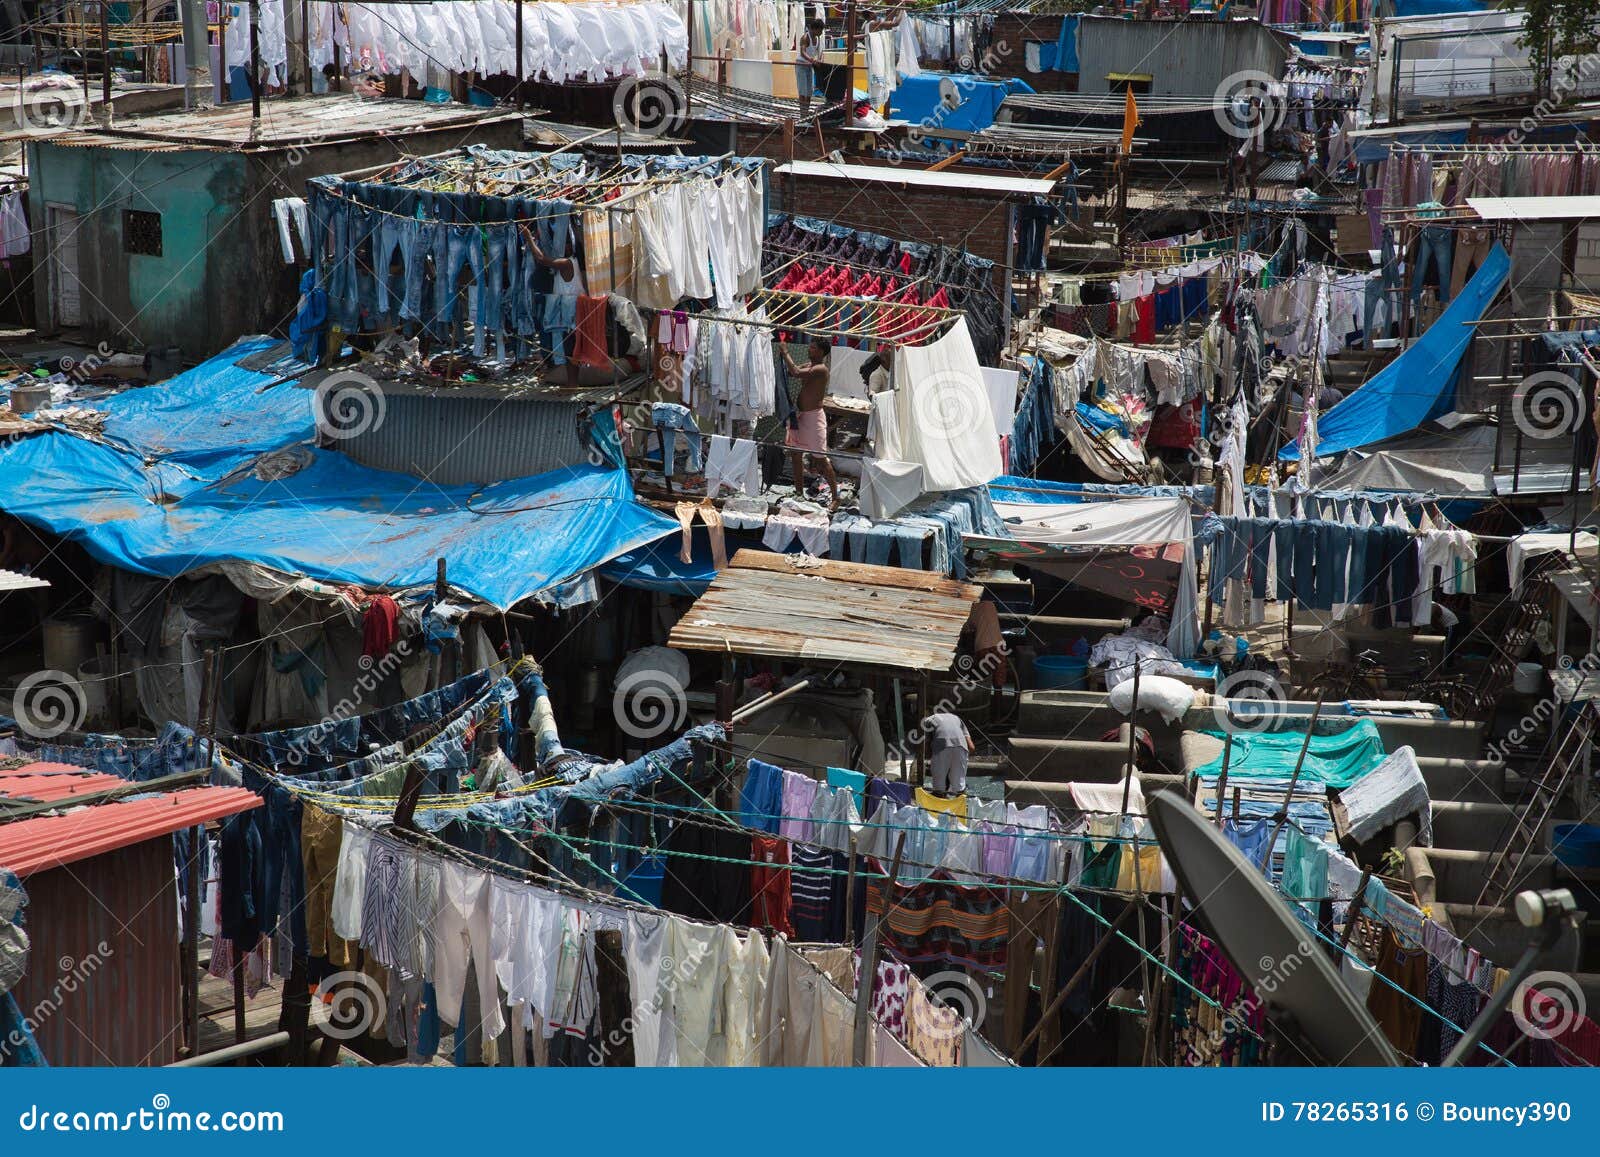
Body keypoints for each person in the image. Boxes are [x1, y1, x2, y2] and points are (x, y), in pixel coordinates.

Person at [520, 223, 583, 387]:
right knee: (568, 346)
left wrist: (529, 238)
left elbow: (541, 259)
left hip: (569, 311)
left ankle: (572, 384)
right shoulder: (573, 261)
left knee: (569, 347)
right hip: (569, 309)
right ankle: (570, 382)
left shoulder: (566, 263)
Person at [782, 336, 839, 509]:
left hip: (814, 418)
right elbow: (794, 372)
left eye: (813, 348)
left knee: (820, 459)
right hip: (799, 416)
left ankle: (836, 497)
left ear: (821, 352)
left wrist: (785, 353)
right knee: (796, 454)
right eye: (810, 347)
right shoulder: (810, 366)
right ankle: (799, 493)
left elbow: (795, 373)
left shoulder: (821, 369)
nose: (810, 349)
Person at [923, 710, 974, 797]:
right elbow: (972, 747)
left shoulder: (929, 719)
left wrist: (931, 758)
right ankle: (961, 808)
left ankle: (939, 804)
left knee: (938, 789)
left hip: (942, 746)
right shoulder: (957, 718)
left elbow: (926, 743)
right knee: (959, 788)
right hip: (961, 747)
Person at [798, 18, 825, 112]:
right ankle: (802, 114)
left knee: (809, 92)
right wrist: (813, 60)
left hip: (810, 66)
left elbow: (821, 52)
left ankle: (806, 112)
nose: (821, 32)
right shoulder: (805, 37)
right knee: (803, 91)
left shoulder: (817, 38)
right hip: (801, 65)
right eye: (820, 30)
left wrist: (820, 60)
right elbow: (802, 52)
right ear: (814, 29)